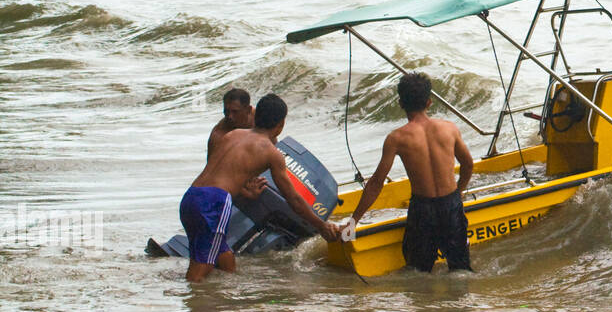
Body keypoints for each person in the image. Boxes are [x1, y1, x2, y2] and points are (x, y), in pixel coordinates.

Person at [180, 93, 341, 282]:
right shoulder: (271, 153)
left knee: (224, 258)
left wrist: (245, 190)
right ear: (281, 124)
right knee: (201, 268)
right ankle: (191, 305)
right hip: (214, 202)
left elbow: (225, 174)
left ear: (255, 115)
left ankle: (222, 302)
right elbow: (294, 199)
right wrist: (321, 226)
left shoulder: (232, 135)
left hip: (191, 197)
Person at [343, 72, 476, 273]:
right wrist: (459, 192)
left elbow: (376, 183)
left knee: (418, 272)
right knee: (461, 269)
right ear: (429, 102)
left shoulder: (396, 139)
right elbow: (468, 165)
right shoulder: (449, 129)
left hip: (423, 210)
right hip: (451, 205)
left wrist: (353, 222)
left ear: (400, 103)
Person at [207, 87, 253, 160]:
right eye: (226, 111)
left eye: (235, 112)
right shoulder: (219, 136)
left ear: (248, 110)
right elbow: (211, 169)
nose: (230, 116)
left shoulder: (258, 117)